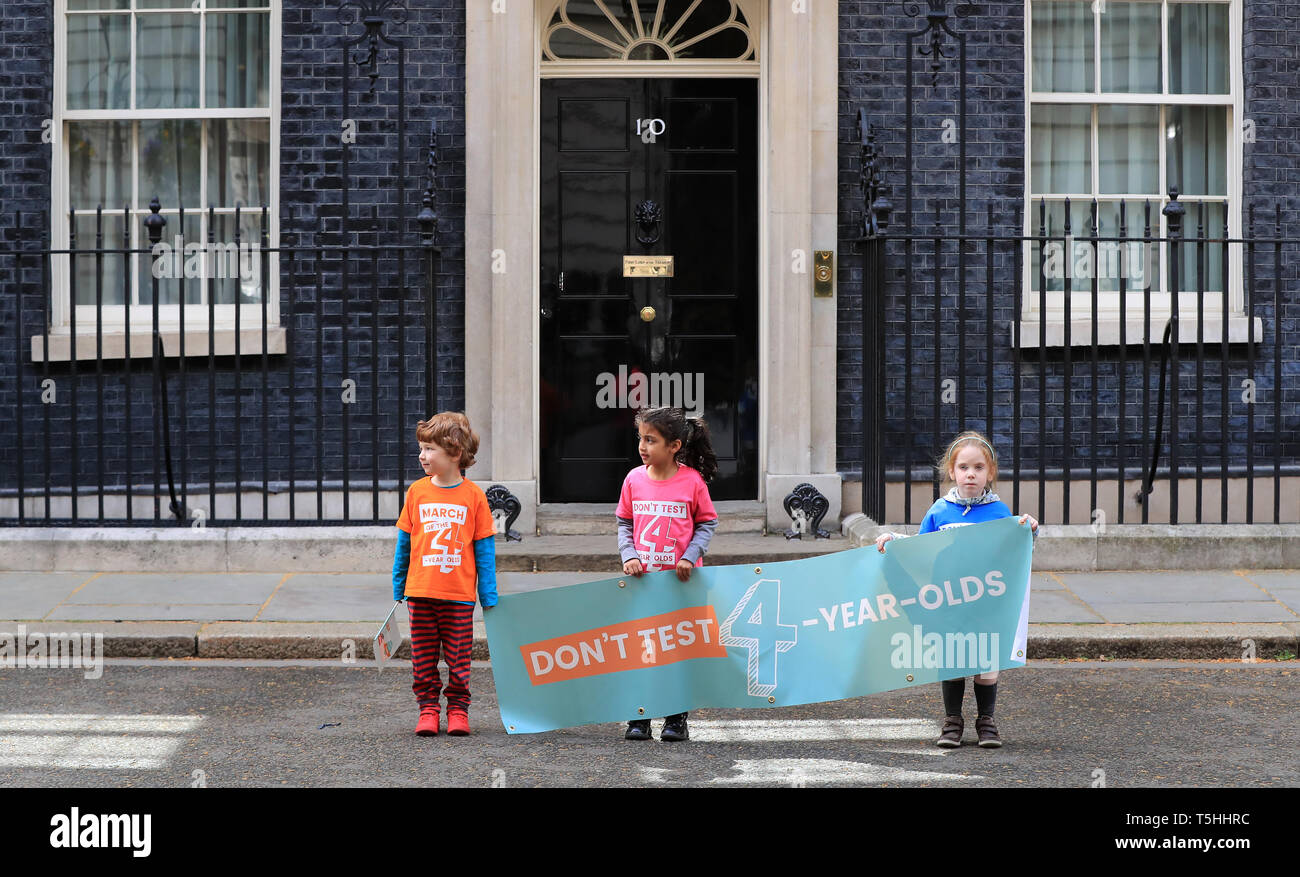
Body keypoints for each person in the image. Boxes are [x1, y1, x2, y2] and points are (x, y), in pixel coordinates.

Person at [874, 430, 1038, 749]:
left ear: (990, 472)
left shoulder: (1000, 514)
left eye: (979, 467)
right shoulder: (939, 511)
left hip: (985, 604)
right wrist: (895, 542)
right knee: (953, 661)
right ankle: (952, 722)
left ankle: (986, 721)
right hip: (950, 601)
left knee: (986, 664)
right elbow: (921, 550)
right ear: (952, 471)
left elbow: (1014, 555)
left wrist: (1029, 530)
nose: (971, 474)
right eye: (964, 467)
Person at [616, 406, 719, 743]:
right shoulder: (633, 479)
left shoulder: (692, 481)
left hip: (680, 586)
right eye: (640, 439)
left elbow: (706, 523)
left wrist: (691, 556)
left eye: (651, 440)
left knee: (676, 653)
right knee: (642, 651)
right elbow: (625, 523)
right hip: (643, 585)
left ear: (674, 446)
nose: (643, 446)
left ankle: (676, 720)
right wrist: (629, 555)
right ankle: (639, 717)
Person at [392, 412, 498, 737]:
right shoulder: (417, 493)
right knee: (423, 657)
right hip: (421, 593)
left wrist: (488, 594)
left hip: (458, 596)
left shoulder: (474, 496)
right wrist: (399, 583)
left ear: (454, 453)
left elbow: (484, 549)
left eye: (429, 449)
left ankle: (457, 710)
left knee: (459, 659)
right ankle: (427, 709)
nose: (421, 455)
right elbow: (405, 543)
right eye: (421, 448)